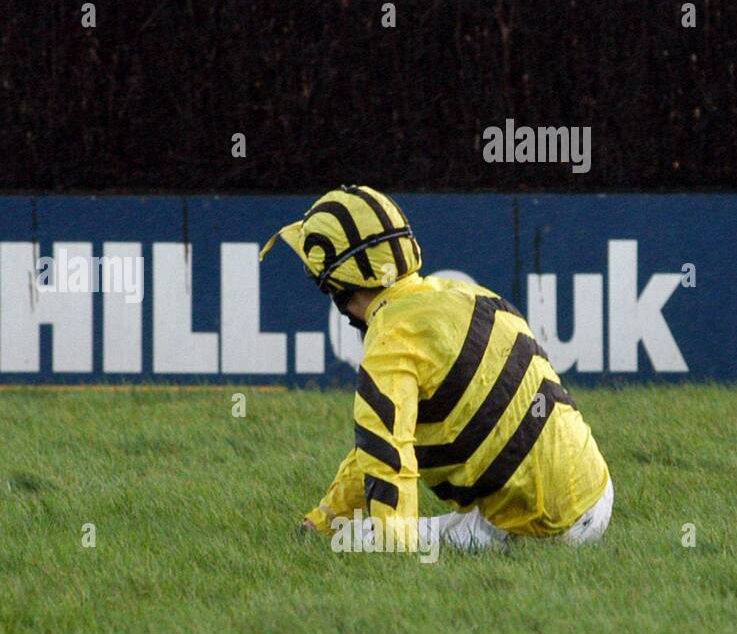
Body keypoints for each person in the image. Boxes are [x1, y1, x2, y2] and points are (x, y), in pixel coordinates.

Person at [259, 185, 613, 551]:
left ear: (335, 286)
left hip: (545, 533)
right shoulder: (467, 294)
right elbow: (379, 442)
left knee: (353, 541)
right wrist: (324, 517)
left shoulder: (388, 346)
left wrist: (375, 543)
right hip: (599, 493)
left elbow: (386, 461)